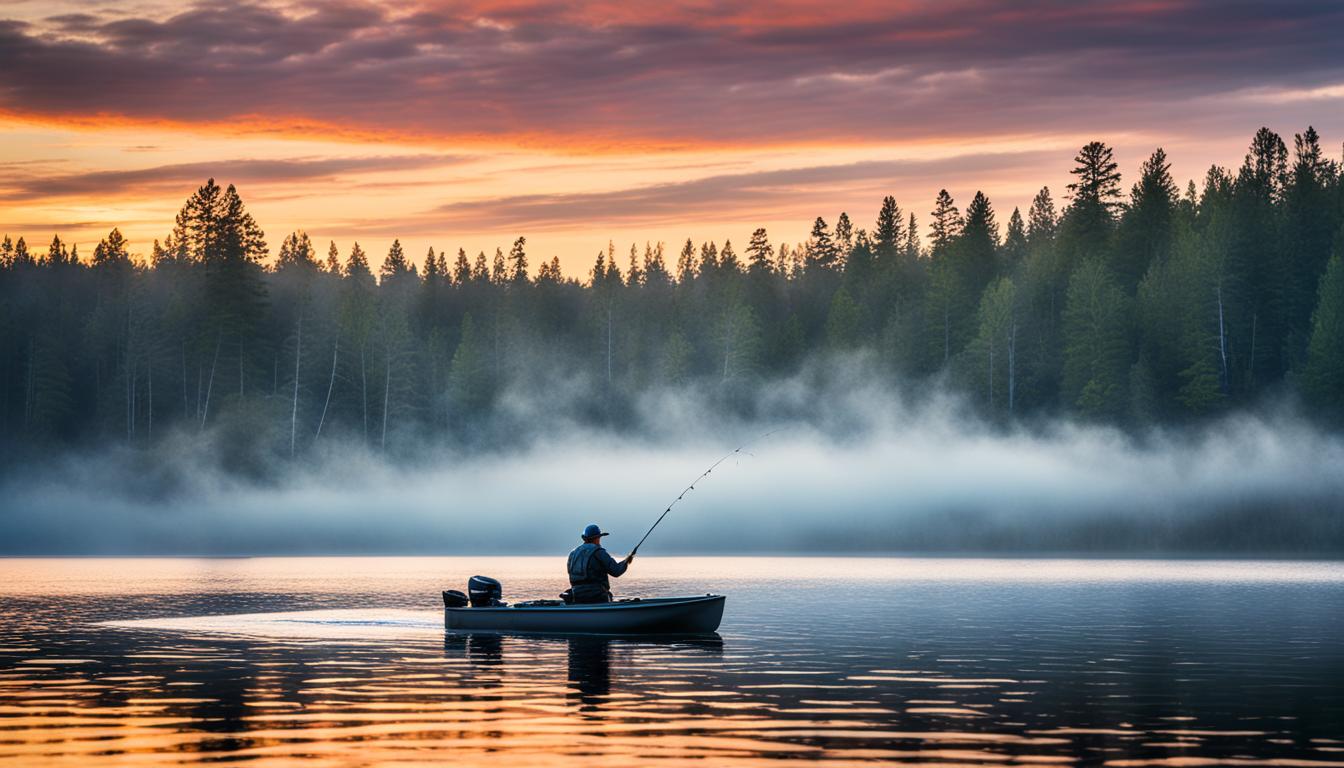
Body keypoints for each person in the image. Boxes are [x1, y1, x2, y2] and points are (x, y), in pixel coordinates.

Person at [566, 524, 634, 604]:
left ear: (584, 539)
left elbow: (570, 573)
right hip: (597, 597)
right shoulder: (598, 552)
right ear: (597, 538)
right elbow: (616, 571)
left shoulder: (573, 554)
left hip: (576, 596)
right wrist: (627, 561)